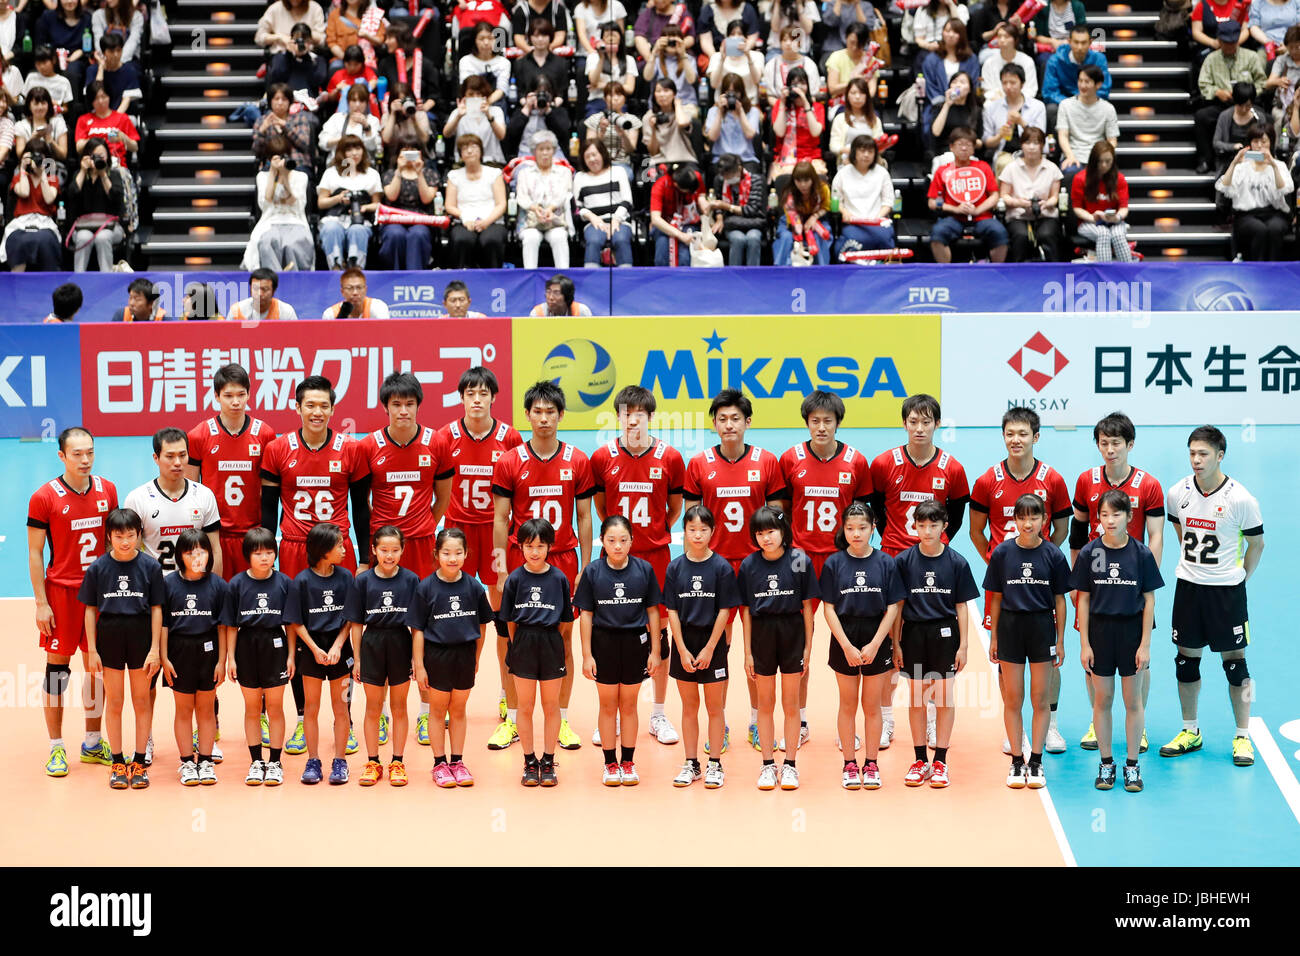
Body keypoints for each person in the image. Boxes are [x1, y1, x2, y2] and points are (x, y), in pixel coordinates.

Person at [683, 389, 788, 752]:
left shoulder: (768, 462)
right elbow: (691, 524)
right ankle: (720, 720)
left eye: (735, 418)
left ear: (748, 422)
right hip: (716, 569)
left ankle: (758, 721)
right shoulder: (698, 464)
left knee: (758, 648)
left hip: (758, 568)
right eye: (722, 419)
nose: (729, 424)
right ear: (714, 424)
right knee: (721, 648)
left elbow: (777, 521)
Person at [492, 381, 594, 751]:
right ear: (527, 415)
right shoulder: (510, 461)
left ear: (561, 415)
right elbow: (501, 519)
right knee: (511, 639)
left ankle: (561, 720)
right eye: (538, 411)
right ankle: (513, 718)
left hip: (563, 561)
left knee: (562, 640)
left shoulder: (578, 460)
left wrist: (586, 564)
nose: (545, 418)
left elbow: (584, 516)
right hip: (521, 560)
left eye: (551, 411)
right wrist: (501, 566)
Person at [1159, 426, 1265, 769]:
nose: (1196, 460)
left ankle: (1242, 735)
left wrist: (1239, 580)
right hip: (1189, 589)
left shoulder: (1241, 499)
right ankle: (1190, 730)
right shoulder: (1178, 492)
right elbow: (1180, 530)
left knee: (1236, 664)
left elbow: (1256, 544)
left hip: (1227, 593)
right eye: (1192, 453)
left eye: (1203, 454)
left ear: (1220, 455)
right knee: (1185, 661)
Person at [868, 394, 969, 750]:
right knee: (890, 649)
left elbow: (955, 515)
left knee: (927, 648)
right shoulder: (883, 464)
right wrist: (893, 542)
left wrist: (933, 549)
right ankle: (886, 719)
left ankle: (928, 720)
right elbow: (875, 506)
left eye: (927, 422)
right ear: (904, 424)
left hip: (930, 564)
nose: (920, 428)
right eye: (913, 421)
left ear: (937, 425)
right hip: (894, 559)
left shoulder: (952, 469)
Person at [968, 405, 1071, 752]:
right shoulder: (986, 481)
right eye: (1010, 433)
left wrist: (1042, 559)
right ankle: (1014, 729)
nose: (1016, 439)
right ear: (1003, 436)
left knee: (1049, 654)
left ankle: (1051, 724)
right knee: (1005, 655)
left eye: (1023, 433)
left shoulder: (1053, 479)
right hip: (1006, 589)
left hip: (1041, 588)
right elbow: (976, 530)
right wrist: (1000, 562)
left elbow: (1062, 528)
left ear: (1036, 437)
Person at [589, 384, 686, 748]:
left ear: (650, 417)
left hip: (655, 557)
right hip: (613, 560)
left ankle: (658, 713)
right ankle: (607, 717)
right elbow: (602, 509)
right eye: (627, 414)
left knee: (658, 633)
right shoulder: (602, 457)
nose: (633, 420)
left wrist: (651, 535)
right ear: (618, 417)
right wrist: (619, 543)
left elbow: (674, 510)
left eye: (640, 414)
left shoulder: (670, 457)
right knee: (609, 632)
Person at [778, 390, 873, 749]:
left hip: (839, 561)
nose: (821, 427)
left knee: (848, 639)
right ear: (807, 423)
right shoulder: (791, 459)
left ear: (837, 423)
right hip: (801, 559)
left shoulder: (856, 462)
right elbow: (782, 509)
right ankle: (799, 720)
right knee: (799, 642)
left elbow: (862, 514)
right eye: (815, 421)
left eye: (827, 421)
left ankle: (847, 724)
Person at [437, 367, 524, 748]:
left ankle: (508, 696)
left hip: (495, 535)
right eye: (469, 392)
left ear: (493, 397)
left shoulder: (509, 437)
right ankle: (450, 692)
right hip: (457, 535)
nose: (476, 398)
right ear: (461, 397)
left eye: (483, 392)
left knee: (503, 617)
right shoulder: (445, 437)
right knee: (452, 616)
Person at [1069, 412, 1164, 753]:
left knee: (1141, 658)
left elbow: (1156, 536)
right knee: (1092, 655)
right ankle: (1098, 720)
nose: (1110, 450)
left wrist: (1145, 581)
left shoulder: (1148, 485)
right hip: (1096, 584)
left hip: (1131, 584)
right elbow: (1077, 533)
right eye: (1104, 443)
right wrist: (1079, 578)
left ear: (1130, 445)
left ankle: (1139, 724)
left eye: (1116, 444)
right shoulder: (1086, 481)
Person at [28, 427, 117, 777]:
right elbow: (35, 553)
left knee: (96, 667)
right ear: (62, 456)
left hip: (99, 593)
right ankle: (56, 747)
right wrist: (40, 602)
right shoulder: (44, 497)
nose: (85, 460)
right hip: (62, 593)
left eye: (90, 452)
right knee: (57, 671)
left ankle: (93, 743)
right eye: (77, 454)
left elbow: (116, 541)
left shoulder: (107, 490)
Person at [1072, 490, 1163, 792]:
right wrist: (1085, 643)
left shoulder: (1141, 554)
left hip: (1131, 633)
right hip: (1100, 633)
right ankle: (1106, 763)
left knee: (1132, 700)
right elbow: (1083, 600)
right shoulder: (1090, 553)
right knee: (1103, 699)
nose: (1110, 521)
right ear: (1098, 518)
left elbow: (1149, 600)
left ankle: (1133, 766)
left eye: (1117, 514)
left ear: (1129, 517)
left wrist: (1145, 644)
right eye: (1105, 515)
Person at [983, 496, 1069, 789]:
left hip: (1042, 628)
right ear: (1015, 520)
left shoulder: (1054, 555)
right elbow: (994, 596)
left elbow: (1060, 600)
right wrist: (993, 636)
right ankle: (1016, 761)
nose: (1028, 523)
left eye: (1034, 517)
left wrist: (1060, 640)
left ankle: (1036, 761)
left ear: (1044, 520)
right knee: (1013, 698)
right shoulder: (1002, 553)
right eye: (1022, 518)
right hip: (1009, 628)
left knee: (1040, 699)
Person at [79, 507, 164, 790]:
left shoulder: (151, 567)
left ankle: (138, 761)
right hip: (110, 636)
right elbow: (90, 611)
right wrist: (92, 649)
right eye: (119, 536)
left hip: (141, 636)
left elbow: (156, 610)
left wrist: (154, 649)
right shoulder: (98, 568)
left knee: (141, 701)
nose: (125, 541)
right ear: (109, 537)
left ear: (140, 535)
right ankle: (117, 761)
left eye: (131, 535)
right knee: (115, 702)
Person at [894, 500, 978, 789]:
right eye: (922, 525)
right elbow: (898, 605)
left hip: (945, 634)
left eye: (933, 525)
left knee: (943, 698)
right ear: (914, 526)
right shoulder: (903, 562)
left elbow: (962, 606)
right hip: (914, 635)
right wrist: (896, 643)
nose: (927, 531)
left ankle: (940, 760)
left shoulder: (956, 562)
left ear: (944, 527)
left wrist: (963, 645)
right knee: (917, 698)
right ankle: (920, 760)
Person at [820, 502, 903, 790]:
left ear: (873, 528)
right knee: (847, 703)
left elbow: (893, 607)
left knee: (872, 705)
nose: (856, 534)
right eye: (851, 528)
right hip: (844, 636)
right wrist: (845, 646)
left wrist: (876, 643)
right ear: (843, 529)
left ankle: (871, 764)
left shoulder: (886, 562)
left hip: (875, 636)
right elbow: (828, 608)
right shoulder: (834, 563)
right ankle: (849, 764)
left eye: (862, 528)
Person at [576, 515, 663, 785]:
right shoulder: (592, 572)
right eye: (611, 540)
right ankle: (610, 764)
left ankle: (628, 761)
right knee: (607, 705)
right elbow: (586, 615)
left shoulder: (644, 569)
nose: (617, 546)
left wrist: (655, 651)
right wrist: (587, 655)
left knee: (629, 705)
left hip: (635, 645)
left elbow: (653, 612)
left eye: (623, 540)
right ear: (602, 541)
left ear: (631, 541)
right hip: (604, 645)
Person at [260, 375, 371, 581]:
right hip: (295, 545)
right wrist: (267, 556)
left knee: (343, 611)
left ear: (332, 409)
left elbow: (361, 507)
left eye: (324, 406)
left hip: (337, 545)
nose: (317, 412)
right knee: (294, 612)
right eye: (310, 405)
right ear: (298, 407)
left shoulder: (351, 448)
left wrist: (364, 559)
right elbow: (268, 508)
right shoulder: (277, 448)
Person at [739, 506, 818, 791]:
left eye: (771, 531)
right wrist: (747, 651)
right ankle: (767, 765)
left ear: (783, 532)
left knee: (790, 704)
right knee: (766, 703)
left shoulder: (799, 559)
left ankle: (791, 766)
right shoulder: (749, 565)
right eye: (760, 533)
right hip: (762, 635)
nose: (766, 538)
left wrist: (808, 646)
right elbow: (746, 611)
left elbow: (808, 607)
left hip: (792, 634)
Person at [410, 527, 493, 785]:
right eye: (446, 553)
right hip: (437, 656)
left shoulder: (474, 587)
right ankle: (439, 763)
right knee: (437, 711)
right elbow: (418, 629)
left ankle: (457, 761)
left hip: (464, 655)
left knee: (458, 710)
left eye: (458, 553)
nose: (452, 558)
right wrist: (419, 665)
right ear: (436, 554)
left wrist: (477, 656)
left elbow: (482, 625)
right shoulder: (425, 588)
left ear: (467, 554)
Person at [665, 505, 740, 788]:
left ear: (713, 531)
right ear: (683, 531)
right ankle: (691, 763)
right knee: (688, 707)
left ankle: (715, 763)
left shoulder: (721, 568)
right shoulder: (675, 567)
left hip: (713, 643)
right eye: (692, 530)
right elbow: (671, 611)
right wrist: (682, 650)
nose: (697, 535)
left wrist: (710, 648)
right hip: (684, 642)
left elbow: (724, 611)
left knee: (715, 707)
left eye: (703, 530)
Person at [185, 363, 277, 582]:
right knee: (216, 599)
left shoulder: (264, 434)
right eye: (228, 395)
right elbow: (191, 488)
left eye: (241, 394)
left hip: (252, 535)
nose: (235, 401)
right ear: (216, 396)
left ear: (249, 395)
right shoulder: (199, 435)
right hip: (215, 534)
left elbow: (269, 492)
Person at [499, 517, 572, 786]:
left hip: (551, 643)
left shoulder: (559, 578)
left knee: (551, 706)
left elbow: (566, 620)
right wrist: (520, 644)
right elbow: (509, 621)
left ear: (550, 547)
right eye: (529, 546)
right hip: (524, 644)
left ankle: (549, 760)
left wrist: (553, 641)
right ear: (521, 547)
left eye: (541, 546)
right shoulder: (515, 579)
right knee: (526, 707)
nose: (535, 551)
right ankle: (530, 761)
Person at [345, 526, 418, 787]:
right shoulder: (363, 581)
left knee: (399, 707)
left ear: (402, 550)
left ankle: (397, 762)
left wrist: (415, 659)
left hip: (400, 642)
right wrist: (358, 657)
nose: (389, 555)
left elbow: (417, 625)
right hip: (372, 643)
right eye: (384, 550)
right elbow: (355, 623)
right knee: (373, 707)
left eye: (395, 550)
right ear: (374, 550)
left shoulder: (410, 580)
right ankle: (373, 762)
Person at [284, 522, 355, 785]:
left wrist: (337, 646)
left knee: (341, 708)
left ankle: (340, 760)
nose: (344, 548)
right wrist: (314, 649)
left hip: (339, 649)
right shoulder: (301, 581)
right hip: (311, 650)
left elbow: (350, 617)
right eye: (338, 544)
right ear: (324, 550)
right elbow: (295, 621)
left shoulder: (346, 577)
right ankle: (312, 760)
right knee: (311, 708)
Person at [222, 527, 292, 786]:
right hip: (246, 645)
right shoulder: (237, 584)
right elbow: (230, 625)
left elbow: (291, 624)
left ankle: (275, 762)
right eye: (258, 553)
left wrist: (291, 657)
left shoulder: (284, 582)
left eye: (269, 552)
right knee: (252, 708)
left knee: (275, 707)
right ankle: (256, 761)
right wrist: (231, 658)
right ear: (247, 556)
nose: (264, 558)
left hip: (275, 645)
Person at [162, 530, 229, 786]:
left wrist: (222, 660)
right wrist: (164, 657)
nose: (196, 556)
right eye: (190, 552)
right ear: (180, 556)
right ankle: (187, 762)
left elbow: (223, 627)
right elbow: (163, 625)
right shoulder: (169, 584)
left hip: (209, 651)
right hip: (179, 652)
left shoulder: (218, 585)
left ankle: (205, 761)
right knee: (183, 709)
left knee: (206, 709)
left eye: (201, 551)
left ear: (210, 554)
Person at [124, 428, 223, 579]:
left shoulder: (204, 495)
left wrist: (215, 590)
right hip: (156, 588)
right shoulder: (137, 498)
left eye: (182, 455)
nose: (177, 463)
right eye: (170, 456)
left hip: (195, 587)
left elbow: (215, 550)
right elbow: (131, 554)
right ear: (156, 458)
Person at [926, 126, 1009, 263]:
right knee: (937, 234)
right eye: (960, 144)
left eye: (968, 145)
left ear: (973, 148)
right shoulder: (943, 171)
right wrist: (955, 209)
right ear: (951, 147)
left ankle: (995, 271)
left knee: (1000, 233)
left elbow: (994, 196)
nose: (964, 148)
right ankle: (947, 272)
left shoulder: (983, 167)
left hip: (982, 217)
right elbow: (932, 202)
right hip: (954, 218)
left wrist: (978, 210)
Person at [1217, 123, 1293, 259]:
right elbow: (1225, 186)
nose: (1259, 146)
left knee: (1275, 228)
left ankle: (1273, 267)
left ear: (1271, 143)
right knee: (1260, 229)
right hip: (1246, 215)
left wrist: (1273, 166)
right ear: (1250, 144)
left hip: (1274, 213)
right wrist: (1234, 163)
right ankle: (1257, 268)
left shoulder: (1279, 165)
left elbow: (1283, 189)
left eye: (1264, 141)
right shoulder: (1242, 166)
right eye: (1255, 141)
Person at [245, 135, 314, 272]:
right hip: (270, 220)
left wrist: (285, 177)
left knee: (292, 244)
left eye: (283, 156)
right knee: (266, 243)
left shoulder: (301, 177)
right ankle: (273, 279)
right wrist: (272, 174)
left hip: (295, 220)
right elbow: (266, 202)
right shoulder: (262, 176)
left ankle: (293, 279)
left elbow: (294, 204)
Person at [998, 126, 1063, 261]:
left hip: (1045, 214)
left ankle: (1054, 273)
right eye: (1027, 143)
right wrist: (1018, 203)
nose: (1032, 147)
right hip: (1018, 215)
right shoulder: (1011, 168)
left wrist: (1046, 204)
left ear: (1042, 145)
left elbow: (1055, 197)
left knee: (1047, 234)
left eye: (1036, 143)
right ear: (1022, 145)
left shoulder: (1052, 168)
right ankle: (1016, 275)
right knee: (1021, 236)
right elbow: (1003, 195)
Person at [316, 135, 381, 269]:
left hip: (360, 220)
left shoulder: (372, 174)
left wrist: (364, 207)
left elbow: (377, 204)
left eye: (358, 148)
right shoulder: (331, 173)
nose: (354, 153)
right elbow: (321, 202)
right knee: (331, 229)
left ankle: (356, 269)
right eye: (349, 150)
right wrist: (337, 198)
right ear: (342, 153)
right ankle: (335, 267)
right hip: (334, 218)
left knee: (357, 230)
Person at [446, 133, 508, 268]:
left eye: (474, 147)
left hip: (492, 221)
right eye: (464, 148)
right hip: (464, 222)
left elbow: (501, 204)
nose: (469, 151)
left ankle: (494, 281)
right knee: (462, 239)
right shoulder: (454, 175)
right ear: (460, 154)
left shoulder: (494, 173)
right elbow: (450, 206)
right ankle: (461, 279)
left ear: (481, 151)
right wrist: (465, 218)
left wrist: (487, 222)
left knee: (491, 240)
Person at [66, 137, 127, 274]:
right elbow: (72, 194)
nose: (98, 159)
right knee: (83, 237)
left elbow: (116, 197)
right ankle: (79, 279)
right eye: (95, 156)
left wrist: (103, 174)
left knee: (102, 237)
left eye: (102, 156)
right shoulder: (79, 175)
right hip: (83, 226)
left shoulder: (113, 174)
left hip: (111, 227)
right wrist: (82, 171)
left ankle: (106, 278)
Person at [516, 130, 574, 269]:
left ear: (554, 151)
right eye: (541, 149)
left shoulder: (564, 172)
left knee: (559, 237)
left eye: (548, 149)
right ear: (534, 152)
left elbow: (563, 195)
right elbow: (521, 197)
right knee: (531, 238)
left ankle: (564, 279)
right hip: (531, 220)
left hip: (556, 219)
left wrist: (549, 210)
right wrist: (535, 209)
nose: (545, 153)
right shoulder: (524, 173)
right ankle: (529, 278)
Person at [574, 138, 634, 267]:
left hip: (620, 220)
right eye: (587, 156)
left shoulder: (618, 172)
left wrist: (616, 220)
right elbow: (577, 207)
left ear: (602, 153)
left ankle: (627, 278)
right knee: (594, 240)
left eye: (595, 154)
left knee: (621, 239)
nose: (592, 159)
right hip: (594, 222)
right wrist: (592, 217)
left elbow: (627, 201)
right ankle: (592, 278)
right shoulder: (580, 177)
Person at [377, 146, 439, 270]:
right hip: (394, 219)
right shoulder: (390, 174)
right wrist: (399, 171)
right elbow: (391, 196)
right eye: (404, 155)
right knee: (395, 234)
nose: (409, 159)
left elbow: (426, 198)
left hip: (421, 219)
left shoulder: (429, 174)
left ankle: (415, 276)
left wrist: (419, 172)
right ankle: (394, 275)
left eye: (412, 155)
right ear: (398, 158)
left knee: (418, 234)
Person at [832, 135, 896, 255]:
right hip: (853, 223)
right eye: (862, 150)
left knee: (883, 237)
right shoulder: (842, 174)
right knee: (850, 241)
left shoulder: (882, 173)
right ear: (854, 152)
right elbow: (836, 200)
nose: (866, 155)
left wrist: (877, 218)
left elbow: (888, 202)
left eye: (870, 151)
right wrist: (845, 213)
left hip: (877, 222)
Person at [3, 144, 61, 273]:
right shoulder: (18, 178)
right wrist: (23, 169)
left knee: (46, 241)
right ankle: (16, 284)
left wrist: (43, 173)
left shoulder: (52, 178)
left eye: (39, 157)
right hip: (22, 222)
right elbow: (24, 192)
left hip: (44, 222)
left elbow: (49, 199)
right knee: (17, 242)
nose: (35, 160)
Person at [1071, 140, 1132, 262]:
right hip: (1088, 222)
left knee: (1118, 235)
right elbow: (1077, 208)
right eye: (1100, 161)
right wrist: (1092, 217)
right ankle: (1104, 275)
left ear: (1113, 161)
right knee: (1103, 234)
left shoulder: (1119, 179)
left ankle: (1129, 273)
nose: (1104, 165)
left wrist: (1117, 217)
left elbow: (1124, 207)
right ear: (1094, 161)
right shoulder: (1080, 178)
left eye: (1108, 161)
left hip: (1114, 221)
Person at [983, 63, 1047, 173]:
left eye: (1013, 83)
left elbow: (1040, 138)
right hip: (1004, 153)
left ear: (1022, 84)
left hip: (1031, 152)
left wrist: (1021, 122)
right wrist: (1000, 136)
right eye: (1004, 83)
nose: (1008, 87)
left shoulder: (1037, 106)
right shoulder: (991, 108)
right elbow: (987, 142)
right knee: (1005, 163)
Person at [920, 19, 979, 139]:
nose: (951, 35)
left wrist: (960, 97)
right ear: (942, 33)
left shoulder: (971, 59)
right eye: (947, 31)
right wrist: (945, 102)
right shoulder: (931, 59)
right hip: (938, 103)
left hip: (965, 103)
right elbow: (930, 85)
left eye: (955, 32)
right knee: (928, 127)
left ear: (962, 35)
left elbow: (973, 82)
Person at [1057, 64, 1118, 179]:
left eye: (1087, 82)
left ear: (1098, 85)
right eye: (1080, 81)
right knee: (1070, 172)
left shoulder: (1108, 109)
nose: (1082, 85)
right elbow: (1063, 135)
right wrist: (1070, 156)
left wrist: (1103, 158)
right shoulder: (1065, 105)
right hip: (1074, 154)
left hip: (1098, 156)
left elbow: (1112, 140)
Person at [709, 151, 767, 265]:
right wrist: (719, 219)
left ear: (739, 169)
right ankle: (734, 276)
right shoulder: (720, 180)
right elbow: (718, 204)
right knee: (738, 239)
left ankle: (753, 275)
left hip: (752, 222)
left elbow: (752, 210)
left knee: (753, 238)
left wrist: (727, 206)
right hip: (732, 225)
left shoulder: (756, 180)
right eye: (724, 175)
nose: (726, 178)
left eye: (729, 174)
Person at [770, 67, 826, 180]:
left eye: (802, 83)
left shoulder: (817, 107)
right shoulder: (780, 106)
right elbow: (779, 132)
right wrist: (782, 103)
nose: (798, 87)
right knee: (783, 178)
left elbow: (816, 132)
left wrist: (806, 104)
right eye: (794, 84)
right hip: (786, 158)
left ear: (808, 86)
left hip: (811, 157)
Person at [773, 160, 832, 265]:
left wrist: (814, 217)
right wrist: (799, 241)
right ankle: (780, 272)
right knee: (786, 237)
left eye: (806, 180)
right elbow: (793, 221)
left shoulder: (823, 189)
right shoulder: (789, 193)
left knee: (821, 235)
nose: (803, 185)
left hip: (816, 218)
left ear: (813, 179)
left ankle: (822, 271)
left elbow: (825, 207)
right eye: (798, 181)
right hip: (791, 222)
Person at [253, 83, 318, 173]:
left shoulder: (299, 118)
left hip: (297, 165)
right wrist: (262, 131)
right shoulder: (261, 121)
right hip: (271, 167)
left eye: (284, 99)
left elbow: (304, 144)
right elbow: (257, 151)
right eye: (276, 99)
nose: (280, 102)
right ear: (270, 101)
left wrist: (285, 125)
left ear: (289, 102)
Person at [444, 74, 508, 165]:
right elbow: (446, 134)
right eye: (471, 94)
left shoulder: (495, 111)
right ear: (464, 95)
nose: (475, 97)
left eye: (479, 94)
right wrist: (458, 116)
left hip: (491, 161)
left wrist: (488, 115)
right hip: (464, 161)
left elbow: (501, 135)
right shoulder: (457, 112)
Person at [1042, 24, 1112, 106]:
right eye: (1076, 42)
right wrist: (1073, 104)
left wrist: (1085, 102)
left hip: (1090, 103)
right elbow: (1049, 92)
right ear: (1069, 42)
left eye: (1083, 43)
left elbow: (1104, 89)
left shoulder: (1099, 59)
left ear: (1090, 42)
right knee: (1051, 109)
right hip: (1064, 104)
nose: (1079, 47)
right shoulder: (1055, 60)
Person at [649, 163, 704, 266]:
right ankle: (662, 280)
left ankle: (686, 280)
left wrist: (704, 203)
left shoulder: (694, 177)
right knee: (662, 254)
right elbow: (655, 219)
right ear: (676, 185)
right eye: (687, 191)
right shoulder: (661, 185)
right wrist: (680, 235)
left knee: (684, 257)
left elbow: (701, 194)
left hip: (688, 222)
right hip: (665, 224)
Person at [505, 73, 571, 157]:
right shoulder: (521, 111)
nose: (541, 97)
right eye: (538, 94)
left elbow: (563, 134)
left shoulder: (559, 111)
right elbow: (511, 134)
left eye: (545, 94)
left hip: (553, 155)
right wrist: (527, 109)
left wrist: (548, 112)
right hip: (526, 153)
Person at [74, 81, 140, 164]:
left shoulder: (122, 118)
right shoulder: (83, 119)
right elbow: (79, 148)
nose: (101, 101)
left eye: (103, 96)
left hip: (116, 163)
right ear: (91, 101)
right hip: (92, 164)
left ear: (109, 97)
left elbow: (135, 147)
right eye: (96, 98)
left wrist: (123, 137)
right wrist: (98, 139)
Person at [584, 82, 640, 178]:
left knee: (627, 176)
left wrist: (622, 134)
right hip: (598, 163)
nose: (615, 98)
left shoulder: (631, 120)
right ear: (605, 98)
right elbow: (588, 147)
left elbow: (630, 149)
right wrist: (601, 132)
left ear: (624, 98)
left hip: (621, 164)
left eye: (619, 94)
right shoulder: (595, 119)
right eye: (611, 95)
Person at [705, 73, 762, 167]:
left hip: (745, 159)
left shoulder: (752, 111)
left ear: (742, 92)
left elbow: (750, 134)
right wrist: (720, 112)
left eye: (735, 92)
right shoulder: (714, 111)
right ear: (723, 93)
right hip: (722, 159)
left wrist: (740, 112)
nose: (732, 96)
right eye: (729, 93)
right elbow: (712, 137)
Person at [644, 23, 698, 115]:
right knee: (648, 119)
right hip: (660, 105)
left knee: (685, 119)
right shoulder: (656, 59)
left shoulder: (689, 59)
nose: (672, 43)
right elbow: (647, 77)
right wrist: (654, 52)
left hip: (685, 104)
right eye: (668, 39)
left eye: (675, 39)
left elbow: (691, 80)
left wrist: (683, 54)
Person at [829, 77, 883, 166]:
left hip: (870, 162)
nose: (857, 97)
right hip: (846, 162)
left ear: (867, 96)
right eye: (853, 93)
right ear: (847, 95)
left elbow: (880, 145)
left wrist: (865, 154)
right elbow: (834, 146)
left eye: (861, 93)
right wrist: (854, 153)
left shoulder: (875, 119)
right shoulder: (840, 119)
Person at [644, 77, 697, 167]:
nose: (662, 95)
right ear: (654, 95)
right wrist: (653, 129)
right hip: (659, 161)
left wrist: (678, 104)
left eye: (666, 90)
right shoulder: (648, 117)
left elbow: (682, 123)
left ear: (674, 94)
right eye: (658, 91)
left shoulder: (683, 111)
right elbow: (653, 152)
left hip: (683, 159)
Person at [706, 20, 764, 102]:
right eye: (732, 34)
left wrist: (748, 56)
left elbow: (756, 80)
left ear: (746, 38)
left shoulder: (757, 56)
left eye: (740, 34)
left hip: (750, 103)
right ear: (727, 38)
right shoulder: (716, 57)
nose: (736, 37)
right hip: (723, 103)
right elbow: (714, 84)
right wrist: (722, 59)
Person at [320, 84, 382, 160]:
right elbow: (322, 142)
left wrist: (366, 127)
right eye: (354, 100)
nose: (357, 105)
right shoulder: (337, 118)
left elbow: (373, 148)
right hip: (338, 165)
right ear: (348, 102)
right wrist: (341, 141)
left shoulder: (372, 121)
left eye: (361, 101)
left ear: (367, 103)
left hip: (363, 167)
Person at [266, 24, 330, 97]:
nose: (301, 44)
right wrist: (288, 54)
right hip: (287, 100)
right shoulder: (280, 57)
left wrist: (306, 58)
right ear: (291, 40)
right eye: (298, 40)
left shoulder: (317, 60)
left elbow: (317, 81)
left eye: (305, 40)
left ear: (310, 42)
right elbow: (277, 77)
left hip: (309, 101)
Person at [84, 32, 142, 112]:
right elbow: (94, 95)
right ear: (104, 52)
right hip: (97, 115)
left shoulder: (129, 71)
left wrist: (114, 120)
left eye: (119, 50)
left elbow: (126, 100)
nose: (116, 54)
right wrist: (101, 68)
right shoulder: (92, 70)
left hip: (121, 116)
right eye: (111, 51)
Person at [586, 23, 637, 112]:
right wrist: (601, 59)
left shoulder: (629, 59)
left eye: (614, 35)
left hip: (619, 103)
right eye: (607, 36)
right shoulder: (593, 57)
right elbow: (593, 81)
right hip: (597, 100)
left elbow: (630, 88)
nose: (611, 39)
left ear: (620, 38)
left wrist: (602, 85)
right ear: (602, 39)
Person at [981, 21, 1038, 102]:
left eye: (1006, 37)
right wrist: (999, 100)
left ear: (1015, 40)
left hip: (1021, 102)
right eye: (999, 36)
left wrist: (1016, 100)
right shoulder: (989, 62)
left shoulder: (1027, 61)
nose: (1002, 40)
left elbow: (1031, 89)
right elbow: (986, 88)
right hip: (996, 103)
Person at [929, 71, 981, 156]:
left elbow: (980, 142)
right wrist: (947, 104)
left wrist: (968, 142)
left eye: (962, 82)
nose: (958, 85)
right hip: (946, 152)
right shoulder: (941, 107)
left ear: (970, 89)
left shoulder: (976, 110)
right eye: (954, 82)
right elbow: (936, 132)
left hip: (968, 153)